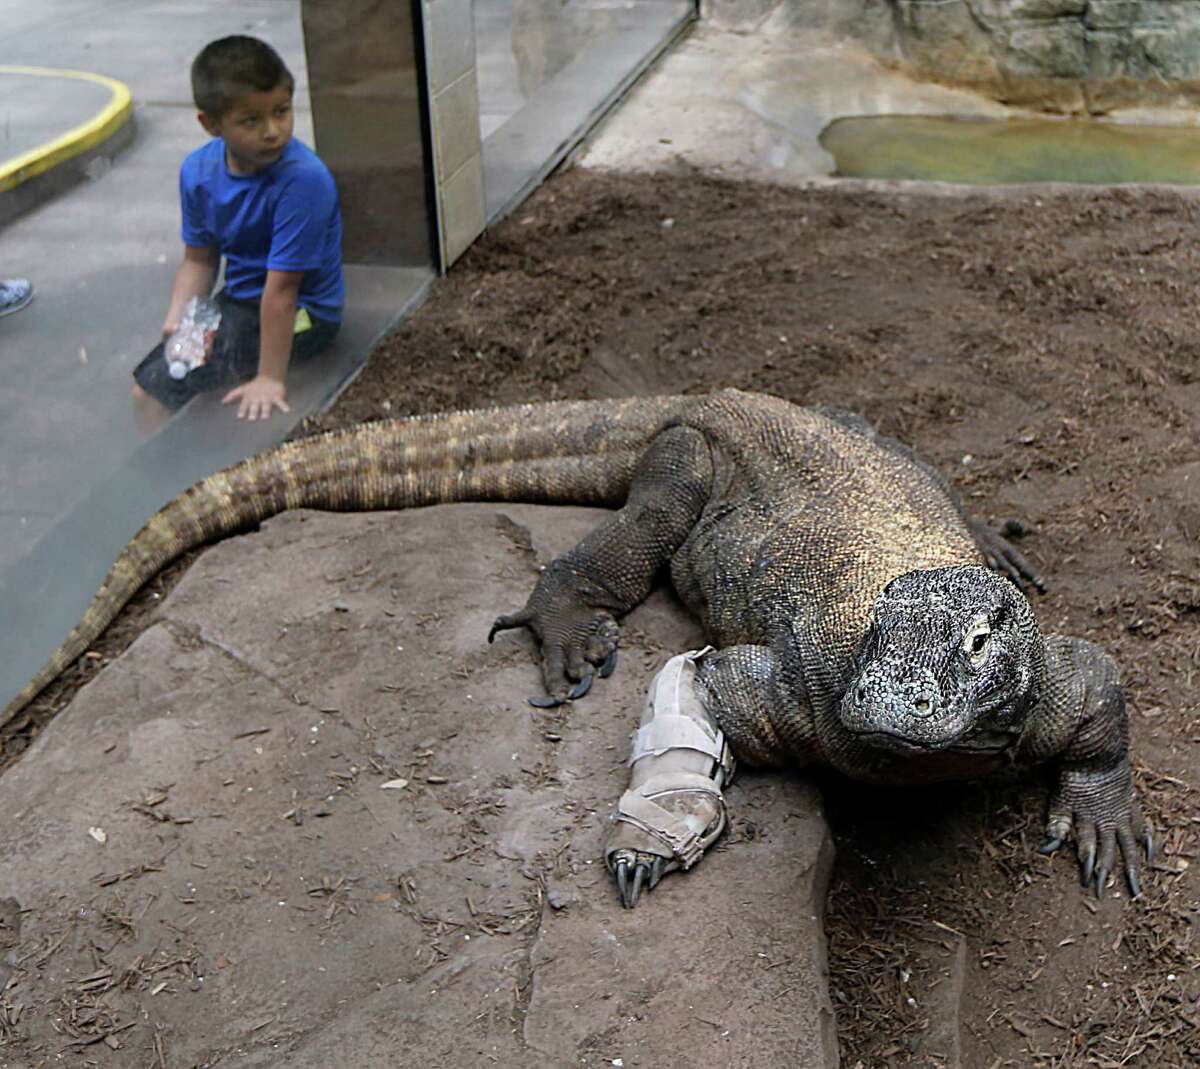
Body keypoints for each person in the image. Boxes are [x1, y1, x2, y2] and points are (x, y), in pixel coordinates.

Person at [132, 36, 343, 422]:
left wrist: (269, 378)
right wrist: (180, 315)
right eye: (251, 120)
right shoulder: (198, 171)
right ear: (210, 124)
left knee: (156, 395)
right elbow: (199, 259)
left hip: (305, 313)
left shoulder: (303, 181)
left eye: (282, 111)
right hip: (241, 303)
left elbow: (283, 292)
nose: (272, 131)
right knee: (150, 388)